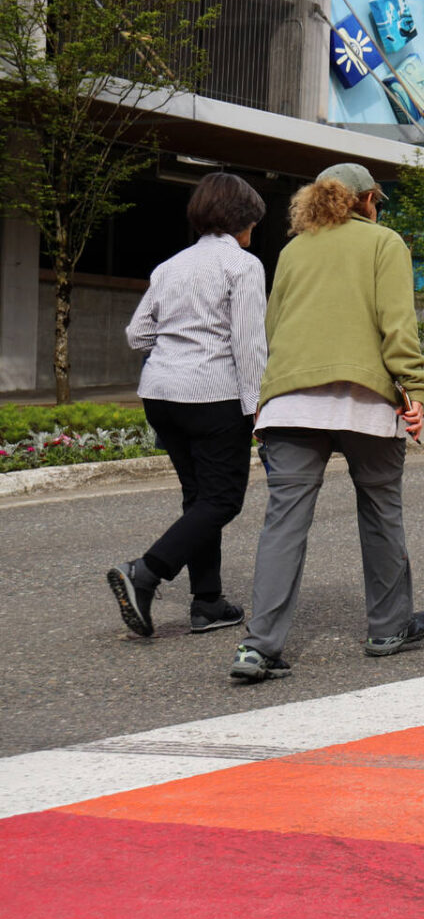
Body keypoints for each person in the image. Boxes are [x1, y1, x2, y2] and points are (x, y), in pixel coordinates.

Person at [228, 162, 424, 683]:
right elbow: (397, 324)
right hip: (365, 398)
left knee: (284, 521)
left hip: (291, 401)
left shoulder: (294, 250)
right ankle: (388, 629)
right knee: (381, 509)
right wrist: (415, 388)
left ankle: (258, 646)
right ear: (365, 201)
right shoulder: (384, 243)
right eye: (377, 202)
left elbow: (275, 324)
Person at [110, 173, 268, 638]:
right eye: (253, 224)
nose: (252, 233)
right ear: (242, 221)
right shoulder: (242, 265)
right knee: (222, 500)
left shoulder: (169, 267)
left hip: (159, 394)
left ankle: (208, 603)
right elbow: (249, 345)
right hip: (213, 397)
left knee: (198, 499)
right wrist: (258, 408)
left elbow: (136, 334)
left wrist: (177, 344)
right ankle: (146, 572)